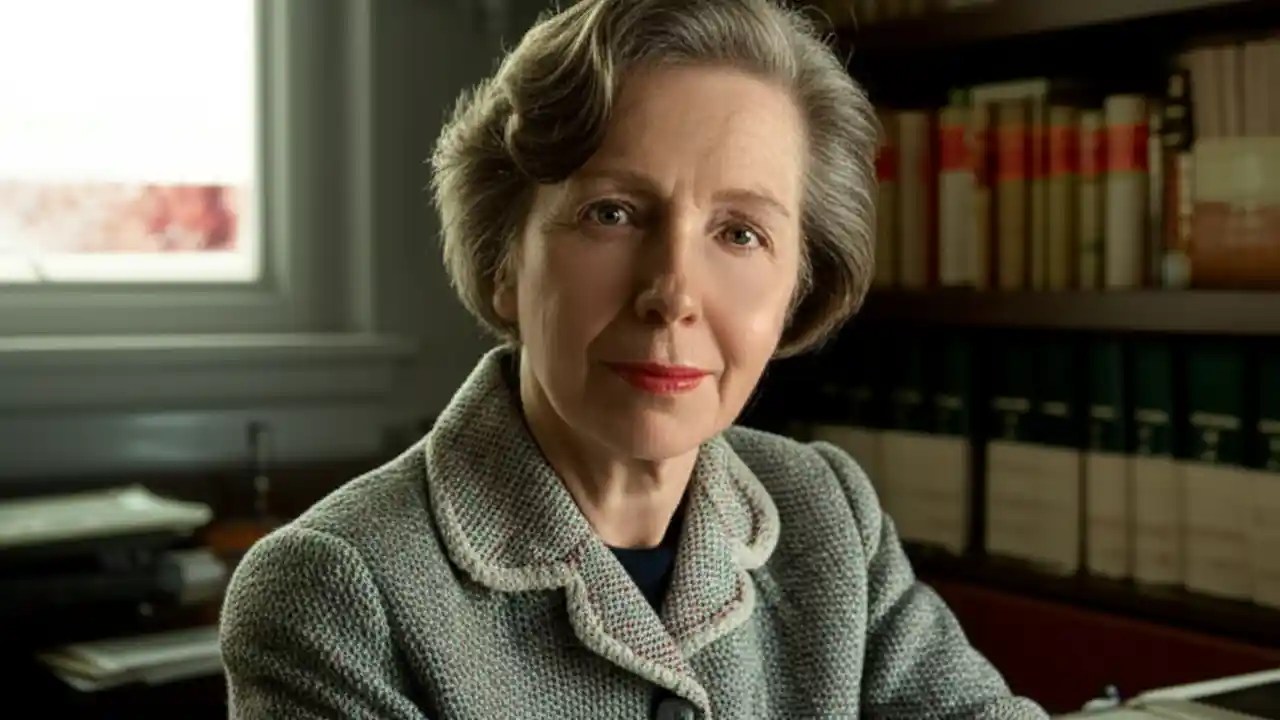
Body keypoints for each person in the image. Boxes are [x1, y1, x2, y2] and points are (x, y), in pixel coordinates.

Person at [218, 1, 1049, 718]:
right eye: (612, 213)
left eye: (740, 233)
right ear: (505, 261)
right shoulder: (331, 592)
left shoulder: (826, 513)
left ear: (797, 287)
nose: (673, 292)